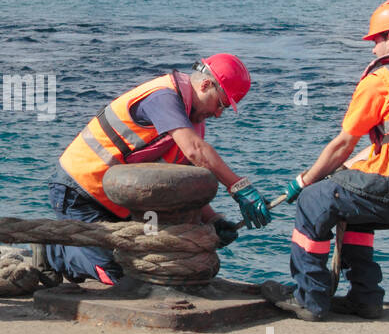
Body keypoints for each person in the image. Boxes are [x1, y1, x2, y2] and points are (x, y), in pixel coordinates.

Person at [272, 0, 389, 321]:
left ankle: (310, 298)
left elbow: (343, 143)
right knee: (353, 208)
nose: (373, 49)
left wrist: (303, 181)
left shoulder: (381, 80)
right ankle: (365, 298)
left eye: (375, 40)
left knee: (314, 201)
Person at [36, 54, 272, 286]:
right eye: (221, 103)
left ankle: (78, 252)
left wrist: (213, 220)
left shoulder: (191, 126)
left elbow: (182, 182)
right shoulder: (163, 97)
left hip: (121, 203)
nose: (219, 113)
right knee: (118, 275)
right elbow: (195, 152)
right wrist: (239, 187)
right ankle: (54, 250)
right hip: (80, 192)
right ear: (206, 84)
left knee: (144, 271)